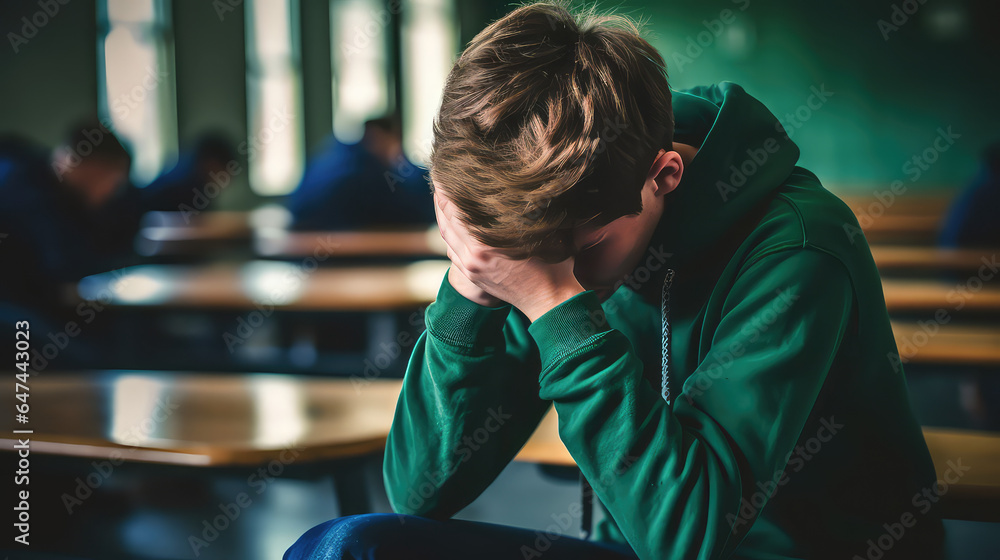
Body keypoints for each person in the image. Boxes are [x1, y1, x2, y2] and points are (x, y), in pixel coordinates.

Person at [286, 3, 945, 559]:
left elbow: (693, 537)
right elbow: (421, 491)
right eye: (527, 254)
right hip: (632, 544)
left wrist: (554, 302)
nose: (553, 270)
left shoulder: (801, 250)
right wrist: (469, 286)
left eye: (580, 251)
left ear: (663, 177)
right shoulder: (546, 224)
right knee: (352, 547)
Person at [287, 116, 435, 230]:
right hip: (338, 249)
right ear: (381, 137)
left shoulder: (335, 156)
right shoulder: (366, 172)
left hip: (305, 238)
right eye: (394, 142)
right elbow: (414, 212)